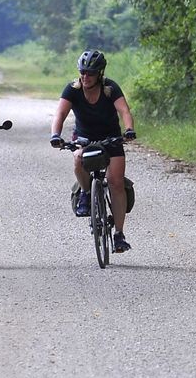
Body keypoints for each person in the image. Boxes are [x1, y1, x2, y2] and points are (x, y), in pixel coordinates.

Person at [49, 49, 136, 253]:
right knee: (78, 158)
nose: (86, 77)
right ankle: (86, 194)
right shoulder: (72, 89)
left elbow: (124, 110)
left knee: (116, 182)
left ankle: (119, 235)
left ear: (100, 73)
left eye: (91, 73)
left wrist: (129, 129)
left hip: (111, 138)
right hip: (84, 139)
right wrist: (55, 134)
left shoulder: (110, 88)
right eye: (83, 72)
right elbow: (60, 113)